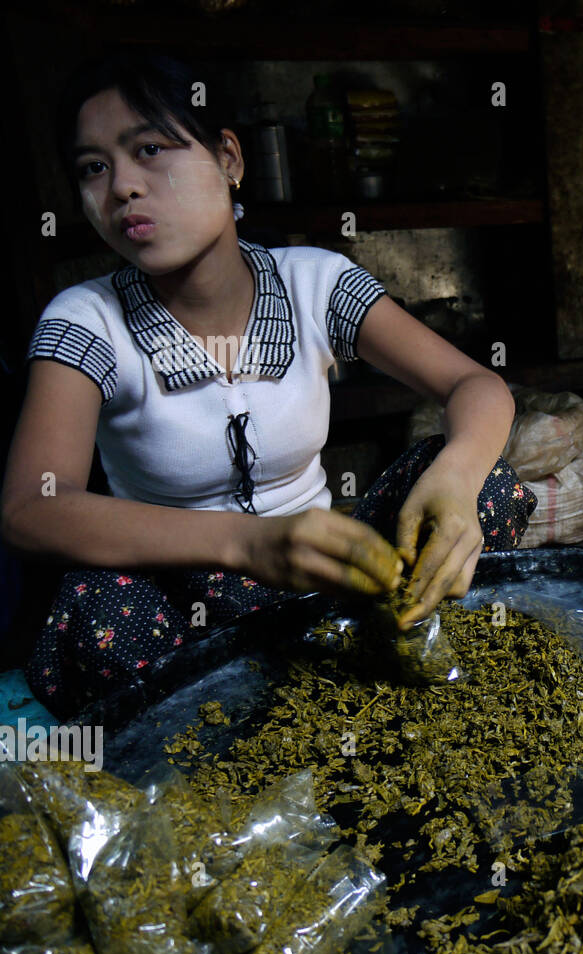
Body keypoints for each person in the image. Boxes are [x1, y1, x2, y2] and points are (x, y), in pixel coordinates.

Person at [0, 54, 536, 719]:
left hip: (323, 579)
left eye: (149, 149)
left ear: (229, 158)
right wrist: (249, 543)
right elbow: (31, 507)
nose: (123, 188)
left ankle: (385, 655)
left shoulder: (313, 281)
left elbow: (474, 385)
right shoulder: (86, 319)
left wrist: (454, 478)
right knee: (96, 607)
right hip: (179, 609)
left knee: (487, 484)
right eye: (93, 167)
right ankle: (239, 720)